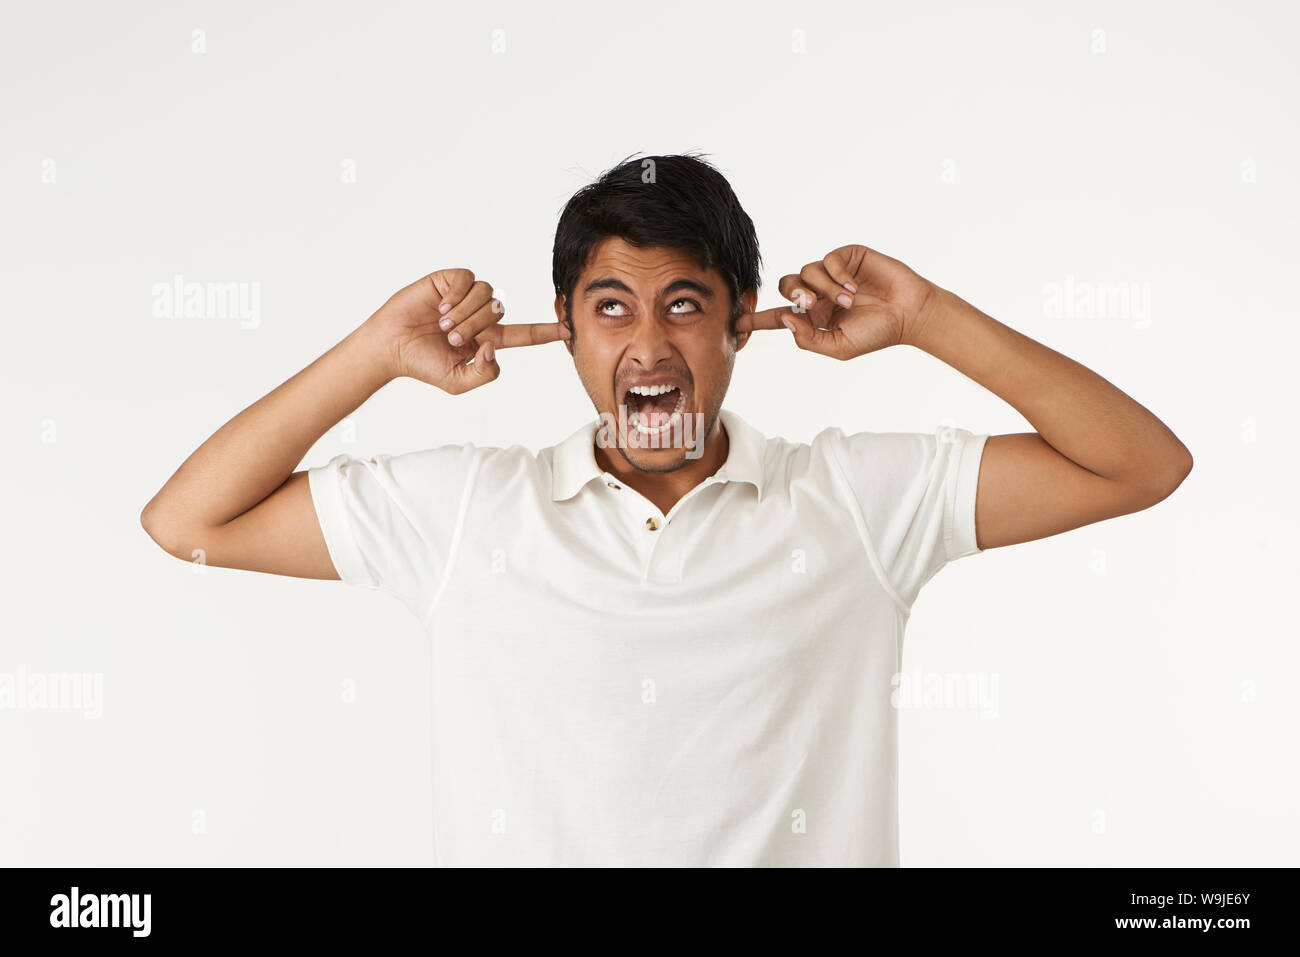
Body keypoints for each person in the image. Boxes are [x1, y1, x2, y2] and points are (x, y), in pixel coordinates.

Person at [140, 152, 1192, 866]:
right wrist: (374, 352)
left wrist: (923, 317)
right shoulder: (466, 509)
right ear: (561, 327)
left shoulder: (858, 501)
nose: (647, 346)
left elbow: (1136, 465)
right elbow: (190, 521)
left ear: (744, 322)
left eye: (685, 305)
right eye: (610, 307)